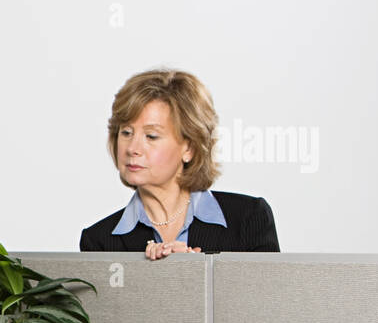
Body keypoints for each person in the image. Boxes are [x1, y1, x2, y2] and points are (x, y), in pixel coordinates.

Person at [79, 69, 280, 259]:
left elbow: (270, 295)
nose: (132, 148)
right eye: (126, 133)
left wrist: (195, 273)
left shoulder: (249, 218)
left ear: (189, 148)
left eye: (151, 136)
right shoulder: (98, 241)